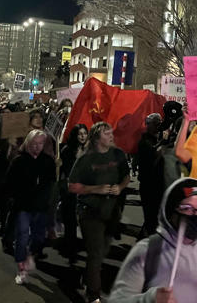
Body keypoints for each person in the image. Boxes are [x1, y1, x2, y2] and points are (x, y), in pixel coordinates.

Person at [109, 178, 197, 303]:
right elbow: (117, 300)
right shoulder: (148, 250)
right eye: (187, 208)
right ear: (170, 213)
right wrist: (150, 299)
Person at [68, 122, 131, 303]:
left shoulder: (118, 154)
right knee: (95, 253)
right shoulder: (86, 158)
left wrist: (120, 186)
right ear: (96, 138)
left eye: (111, 133)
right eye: (106, 133)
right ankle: (93, 295)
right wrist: (96, 189)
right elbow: (72, 186)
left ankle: (88, 277)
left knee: (102, 251)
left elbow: (126, 175)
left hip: (111, 212)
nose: (111, 136)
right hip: (90, 212)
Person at [6, 129, 56, 285]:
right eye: (34, 143)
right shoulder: (19, 161)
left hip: (40, 206)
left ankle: (31, 254)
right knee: (22, 236)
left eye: (41, 143)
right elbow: (9, 183)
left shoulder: (47, 161)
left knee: (38, 237)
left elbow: (51, 183)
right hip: (23, 206)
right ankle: (21, 268)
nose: (37, 147)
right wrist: (14, 198)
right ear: (28, 143)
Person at [59, 123, 89, 263]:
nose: (83, 136)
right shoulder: (67, 150)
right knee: (70, 218)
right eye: (80, 134)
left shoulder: (89, 149)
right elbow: (65, 170)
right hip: (70, 189)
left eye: (85, 133)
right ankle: (69, 245)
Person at [138, 114, 165, 238]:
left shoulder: (156, 138)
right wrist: (163, 141)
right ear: (148, 125)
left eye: (159, 123)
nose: (158, 126)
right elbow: (153, 156)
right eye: (155, 123)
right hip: (148, 185)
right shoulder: (144, 141)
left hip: (159, 184)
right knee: (150, 217)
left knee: (156, 217)